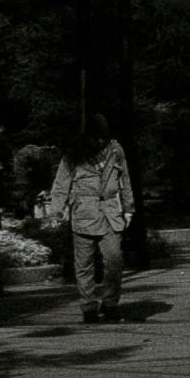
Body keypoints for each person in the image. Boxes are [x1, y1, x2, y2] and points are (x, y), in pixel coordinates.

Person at [57, 123, 139, 324]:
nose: (101, 142)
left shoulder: (115, 150)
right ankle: (88, 306)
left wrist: (129, 208)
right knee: (84, 264)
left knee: (115, 259)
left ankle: (110, 303)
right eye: (97, 138)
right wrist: (58, 209)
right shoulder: (73, 154)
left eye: (104, 138)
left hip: (110, 212)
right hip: (84, 211)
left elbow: (125, 179)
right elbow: (62, 182)